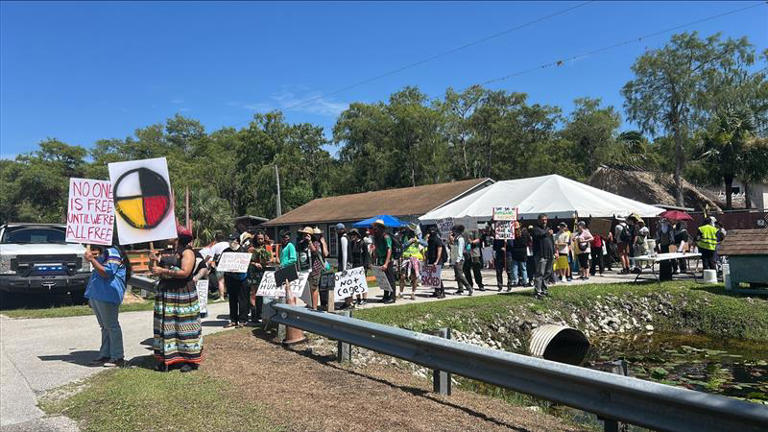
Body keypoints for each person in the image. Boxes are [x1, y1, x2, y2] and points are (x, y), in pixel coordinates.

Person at [150, 225, 203, 372]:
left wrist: (163, 270)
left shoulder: (187, 252)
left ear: (178, 237)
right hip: (166, 292)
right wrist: (152, 261)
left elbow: (185, 272)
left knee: (184, 325)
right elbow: (154, 270)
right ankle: (167, 358)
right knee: (166, 324)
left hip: (182, 292)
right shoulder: (165, 252)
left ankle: (189, 359)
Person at [84, 243, 129, 368]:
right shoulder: (104, 253)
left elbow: (107, 272)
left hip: (108, 294)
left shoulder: (113, 252)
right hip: (98, 294)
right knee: (105, 326)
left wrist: (92, 259)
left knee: (111, 326)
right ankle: (105, 354)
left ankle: (117, 357)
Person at [247, 232, 270, 324]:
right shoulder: (251, 249)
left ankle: (260, 313)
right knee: (253, 293)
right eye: (259, 239)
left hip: (263, 271)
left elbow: (269, 258)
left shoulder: (265, 248)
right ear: (256, 239)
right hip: (253, 272)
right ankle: (254, 315)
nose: (261, 240)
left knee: (261, 293)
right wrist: (255, 263)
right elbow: (247, 261)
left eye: (262, 238)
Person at [372, 220, 397, 303]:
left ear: (381, 228)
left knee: (390, 279)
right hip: (380, 260)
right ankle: (386, 296)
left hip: (388, 261)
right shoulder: (376, 237)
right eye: (374, 227)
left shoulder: (386, 237)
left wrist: (386, 263)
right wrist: (374, 261)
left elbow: (389, 250)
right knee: (383, 279)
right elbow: (376, 250)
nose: (375, 229)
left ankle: (392, 297)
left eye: (377, 227)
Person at [531, 214, 555, 299]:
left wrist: (555, 252)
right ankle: (537, 291)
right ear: (539, 220)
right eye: (543, 220)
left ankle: (544, 289)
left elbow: (552, 241)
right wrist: (547, 233)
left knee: (547, 273)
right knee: (540, 273)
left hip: (549, 254)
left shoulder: (548, 229)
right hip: (540, 254)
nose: (544, 221)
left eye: (546, 220)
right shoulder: (535, 229)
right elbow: (539, 235)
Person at [399, 223, 424, 300]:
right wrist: (408, 242)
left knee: (414, 277)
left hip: (415, 260)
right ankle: (401, 293)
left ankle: (413, 293)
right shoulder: (404, 237)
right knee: (402, 276)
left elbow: (425, 244)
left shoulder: (418, 238)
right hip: (406, 259)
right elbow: (401, 246)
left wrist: (418, 240)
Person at [449, 225, 472, 296]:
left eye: (453, 230)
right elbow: (453, 247)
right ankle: (460, 289)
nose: (452, 232)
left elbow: (460, 250)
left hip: (459, 259)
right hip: (455, 258)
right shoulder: (456, 238)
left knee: (459, 274)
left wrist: (458, 259)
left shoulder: (460, 239)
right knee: (457, 275)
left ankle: (469, 287)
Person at [425, 226, 446, 298]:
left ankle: (442, 292)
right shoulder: (430, 240)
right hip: (431, 259)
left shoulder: (437, 240)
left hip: (437, 260)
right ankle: (436, 292)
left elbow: (439, 251)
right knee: (433, 277)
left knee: (437, 276)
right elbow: (428, 250)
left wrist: (436, 261)